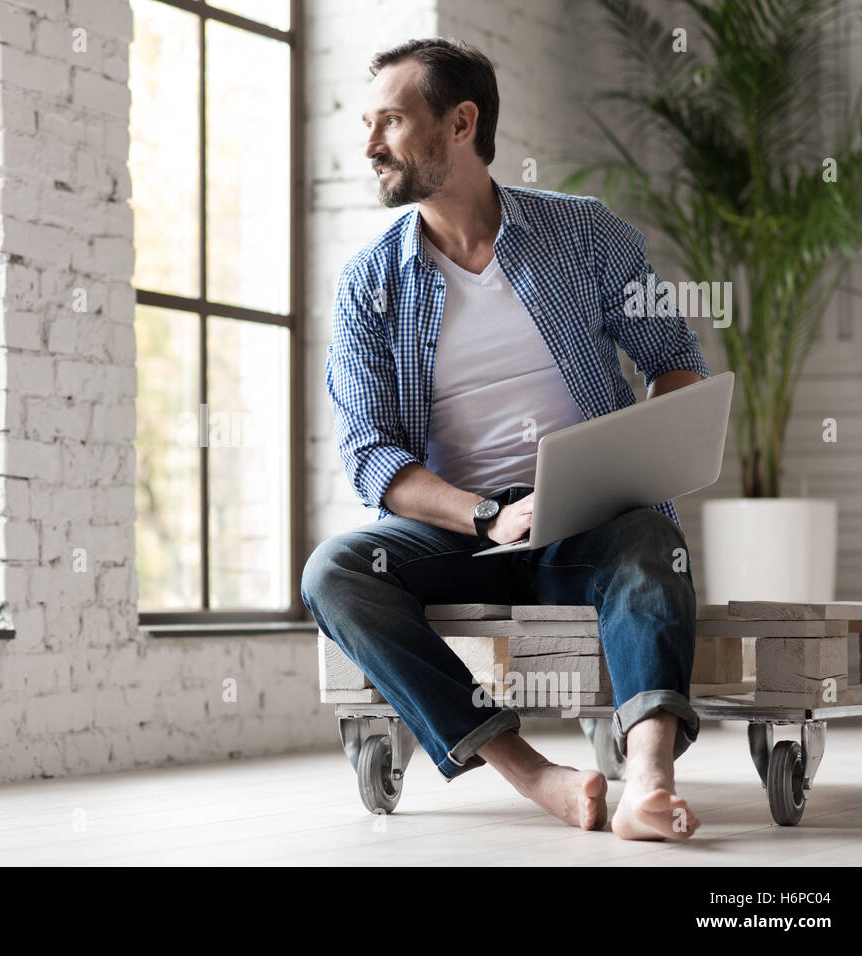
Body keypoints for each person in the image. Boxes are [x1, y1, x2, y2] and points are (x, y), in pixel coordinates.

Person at [303, 37, 711, 840]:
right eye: (366, 124)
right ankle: (539, 777)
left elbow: (674, 362)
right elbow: (372, 457)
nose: (369, 145)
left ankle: (650, 785)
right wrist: (489, 515)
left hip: (587, 523)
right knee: (335, 573)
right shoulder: (369, 284)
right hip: (459, 534)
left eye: (389, 121)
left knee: (652, 542)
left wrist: (642, 458)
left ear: (461, 123)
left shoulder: (583, 236)